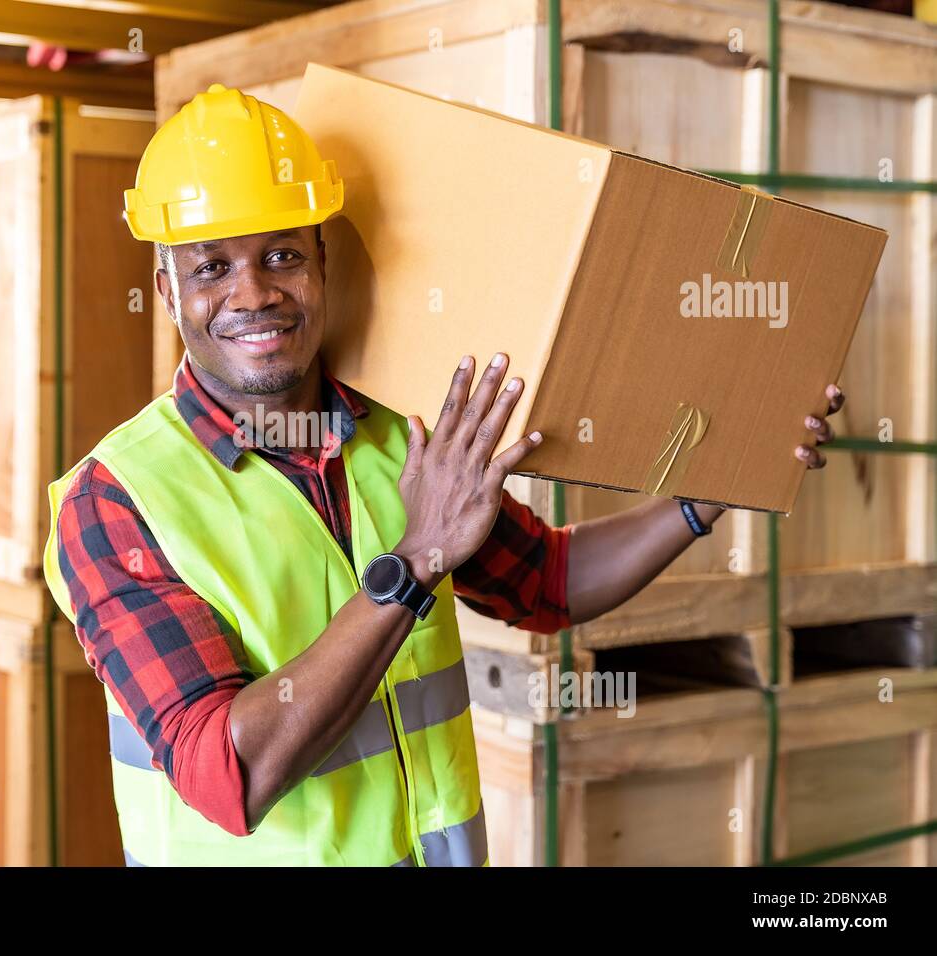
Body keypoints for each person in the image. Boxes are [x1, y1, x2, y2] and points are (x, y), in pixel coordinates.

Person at [43, 84, 844, 866]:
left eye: (281, 254)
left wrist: (703, 496)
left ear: (323, 262)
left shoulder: (400, 434)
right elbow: (230, 776)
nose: (254, 292)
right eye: (211, 268)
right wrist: (417, 560)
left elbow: (551, 583)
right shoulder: (115, 501)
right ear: (166, 291)